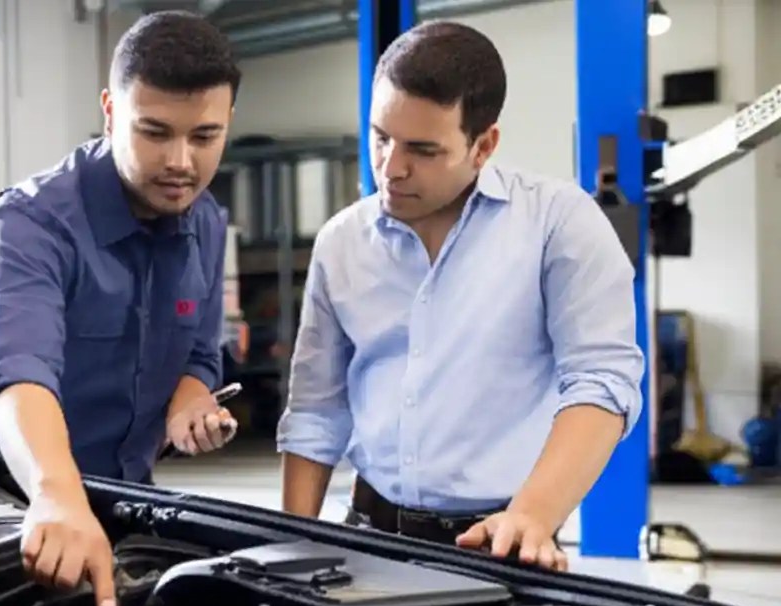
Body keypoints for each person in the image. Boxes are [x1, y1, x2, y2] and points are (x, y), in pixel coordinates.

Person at [276, 20, 645, 572]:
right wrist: (295, 549)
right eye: (381, 137)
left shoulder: (557, 225)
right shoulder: (342, 241)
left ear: (484, 144)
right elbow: (316, 410)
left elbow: (603, 381)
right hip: (367, 535)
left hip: (501, 542)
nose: (391, 168)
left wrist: (534, 515)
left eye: (423, 150)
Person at [0, 11, 241, 606]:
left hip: (119, 497)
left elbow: (202, 354)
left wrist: (190, 397)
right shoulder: (31, 223)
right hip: (10, 499)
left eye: (203, 137)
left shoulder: (206, 221)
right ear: (110, 111)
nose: (181, 161)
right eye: (154, 132)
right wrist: (56, 494)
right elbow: (19, 374)